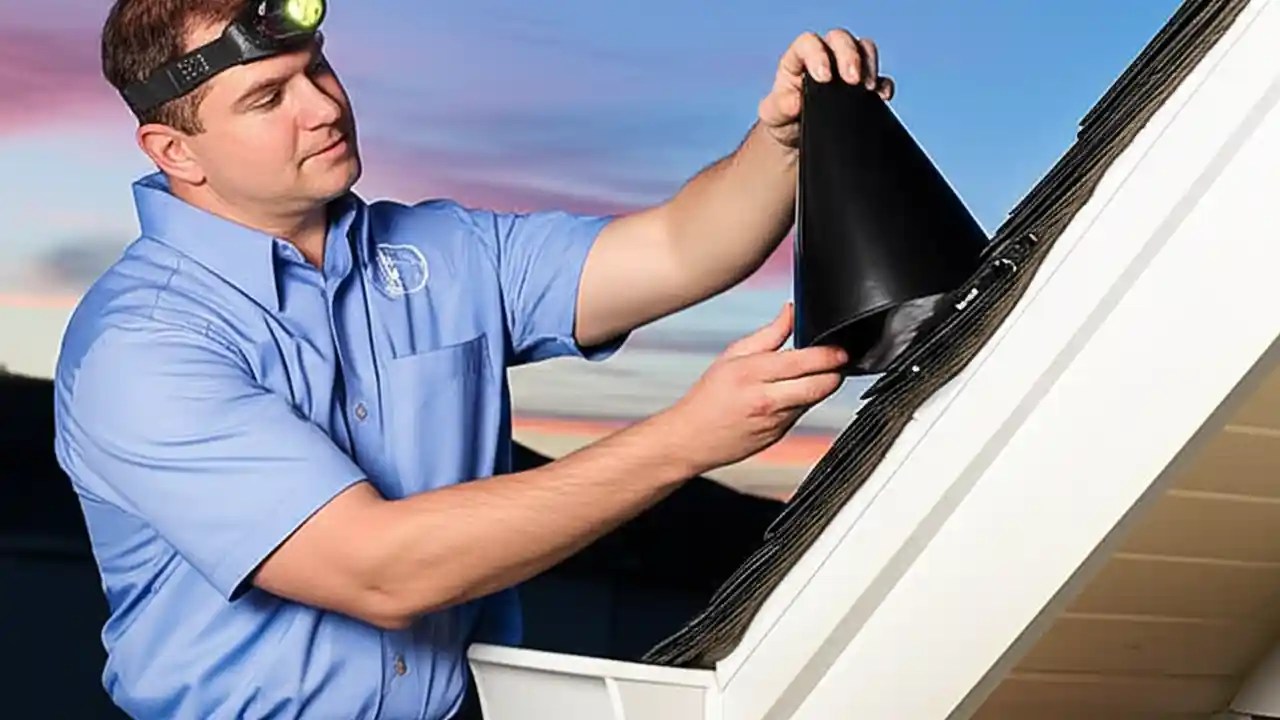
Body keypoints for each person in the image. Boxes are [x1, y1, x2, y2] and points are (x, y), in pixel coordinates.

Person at [52, 1, 896, 718]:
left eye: (317, 68)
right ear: (176, 152)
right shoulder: (141, 347)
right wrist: (686, 440)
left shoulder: (445, 251)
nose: (323, 106)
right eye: (268, 98)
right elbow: (380, 572)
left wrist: (784, 138)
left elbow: (680, 249)